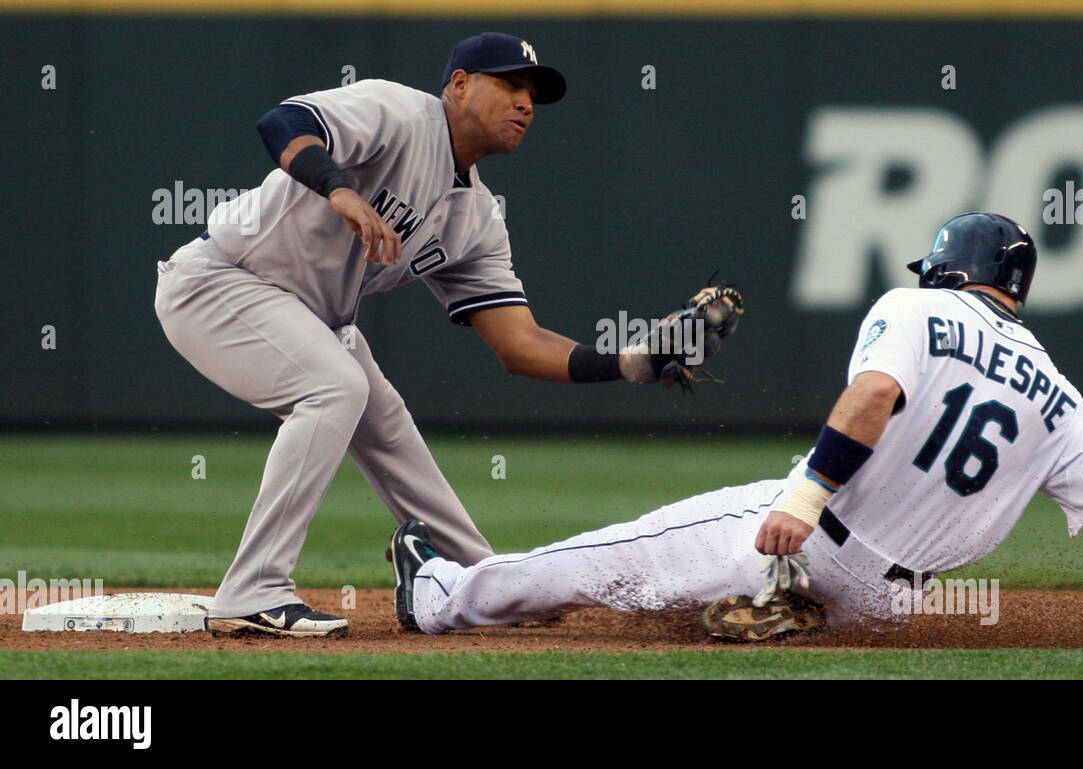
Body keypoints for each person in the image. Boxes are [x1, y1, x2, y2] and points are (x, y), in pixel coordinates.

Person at [155, 33, 725, 638]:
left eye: (532, 94)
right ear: (459, 85)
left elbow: (519, 344)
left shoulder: (476, 217)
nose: (525, 104)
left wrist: (634, 361)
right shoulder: (399, 112)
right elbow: (283, 122)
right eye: (509, 85)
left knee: (387, 426)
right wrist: (341, 190)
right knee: (335, 388)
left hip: (314, 319)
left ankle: (489, 583)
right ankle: (254, 590)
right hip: (220, 282)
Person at [394, 212, 1083, 643]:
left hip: (814, 534)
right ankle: (785, 606)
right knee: (674, 588)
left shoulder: (920, 308)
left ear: (950, 269)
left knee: (606, 558)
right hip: (894, 603)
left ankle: (438, 595)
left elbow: (875, 394)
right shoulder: (1063, 397)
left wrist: (804, 499)